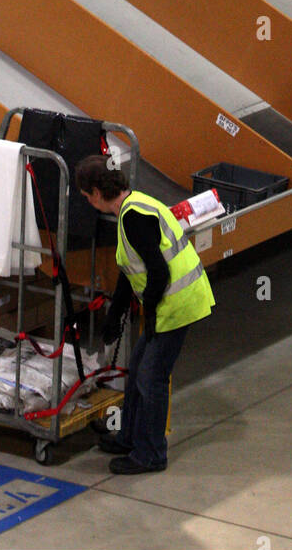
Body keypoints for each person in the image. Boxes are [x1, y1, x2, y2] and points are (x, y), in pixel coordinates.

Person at [75, 153, 214, 475]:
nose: (86, 201)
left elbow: (158, 271)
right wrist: (117, 312)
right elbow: (130, 270)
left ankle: (150, 454)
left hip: (178, 304)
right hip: (169, 303)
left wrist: (147, 313)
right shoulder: (133, 207)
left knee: (150, 378)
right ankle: (129, 438)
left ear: (96, 193)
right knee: (137, 367)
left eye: (85, 195)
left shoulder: (134, 217)